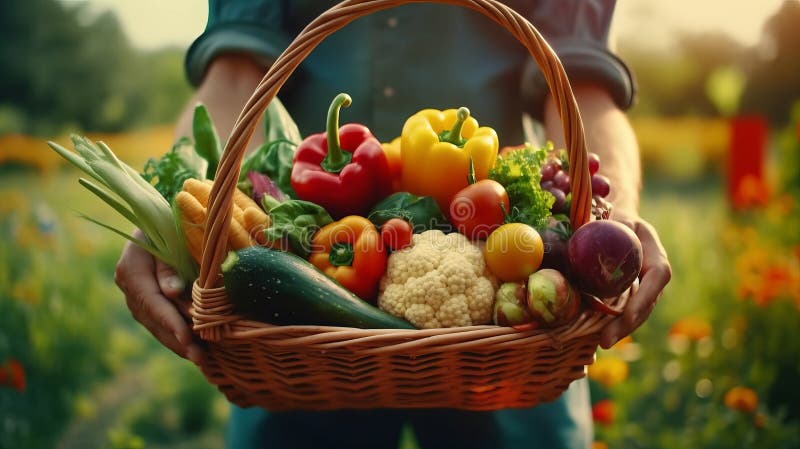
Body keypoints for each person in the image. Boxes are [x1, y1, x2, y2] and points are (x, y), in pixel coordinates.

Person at [114, 1, 672, 448]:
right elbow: (235, 74)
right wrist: (175, 213)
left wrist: (611, 220)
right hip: (294, 337)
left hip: (509, 338)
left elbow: (580, 86)